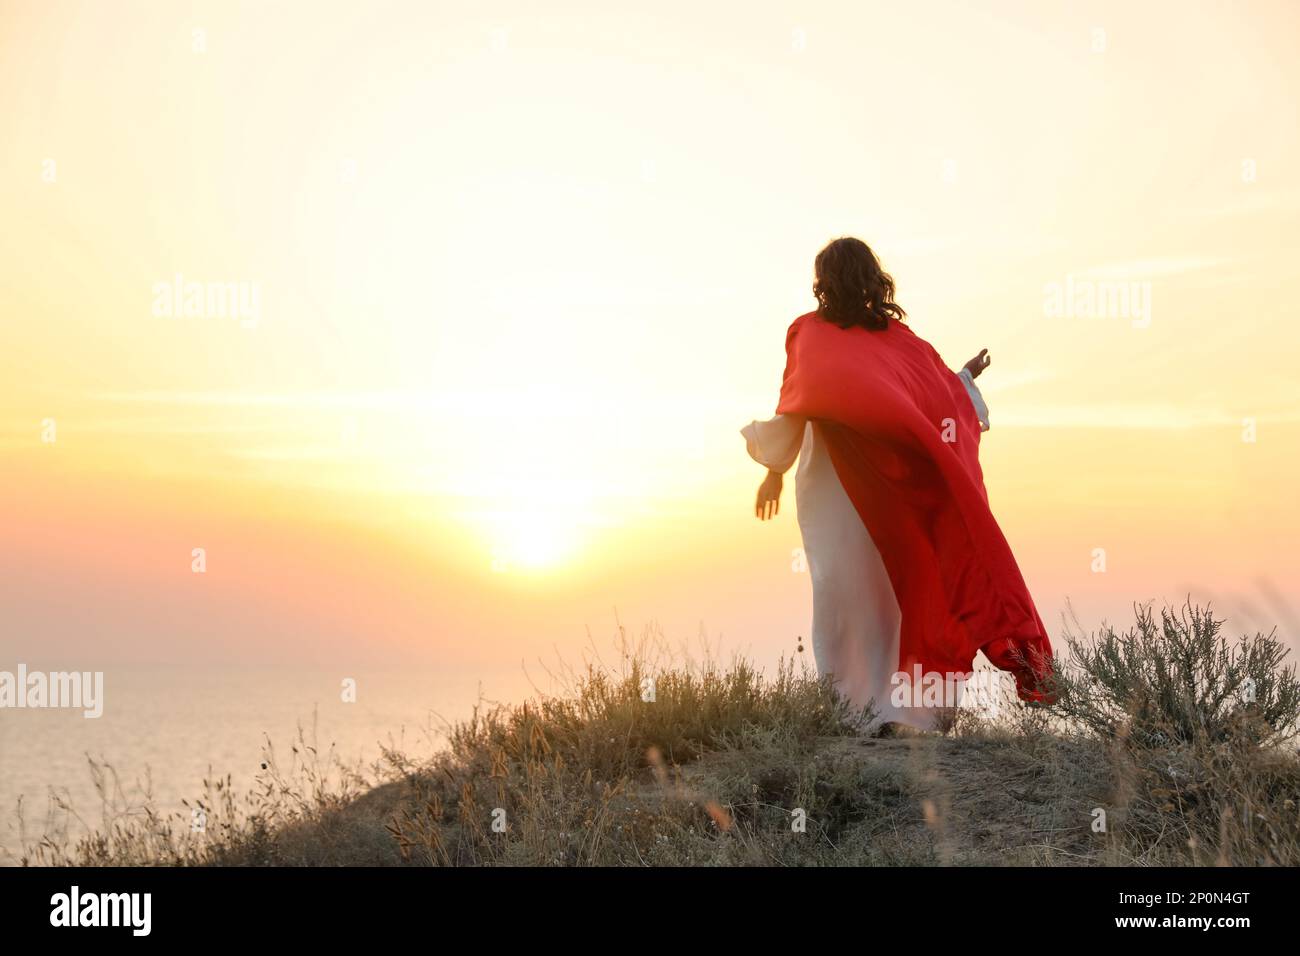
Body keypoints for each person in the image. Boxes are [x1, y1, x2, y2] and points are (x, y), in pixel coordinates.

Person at [742, 237, 1054, 733]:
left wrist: (772, 472)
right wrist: (965, 382)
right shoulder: (884, 339)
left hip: (838, 498)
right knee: (875, 595)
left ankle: (880, 716)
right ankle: (885, 715)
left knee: (852, 596)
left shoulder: (821, 333)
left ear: (823, 282)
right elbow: (925, 400)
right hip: (868, 496)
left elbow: (902, 400)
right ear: (872, 278)